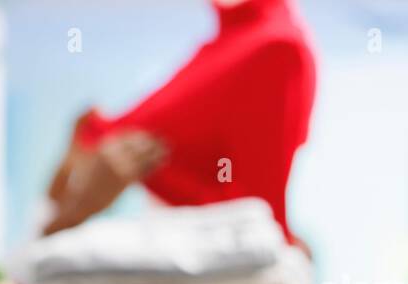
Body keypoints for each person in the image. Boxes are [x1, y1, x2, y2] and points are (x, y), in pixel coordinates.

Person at [43, 0, 316, 241]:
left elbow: (258, 217)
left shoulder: (276, 48)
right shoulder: (228, 42)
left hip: (201, 279)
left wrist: (77, 208)